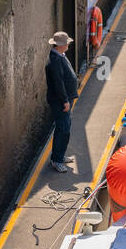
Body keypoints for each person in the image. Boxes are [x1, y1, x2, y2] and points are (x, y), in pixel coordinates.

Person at [45, 31, 79, 172]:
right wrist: (65, 101)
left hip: (65, 99)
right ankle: (57, 160)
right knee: (63, 129)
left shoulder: (60, 56)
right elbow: (58, 83)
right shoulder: (55, 60)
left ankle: (59, 155)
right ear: (60, 45)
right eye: (66, 43)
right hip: (60, 102)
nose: (68, 44)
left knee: (65, 127)